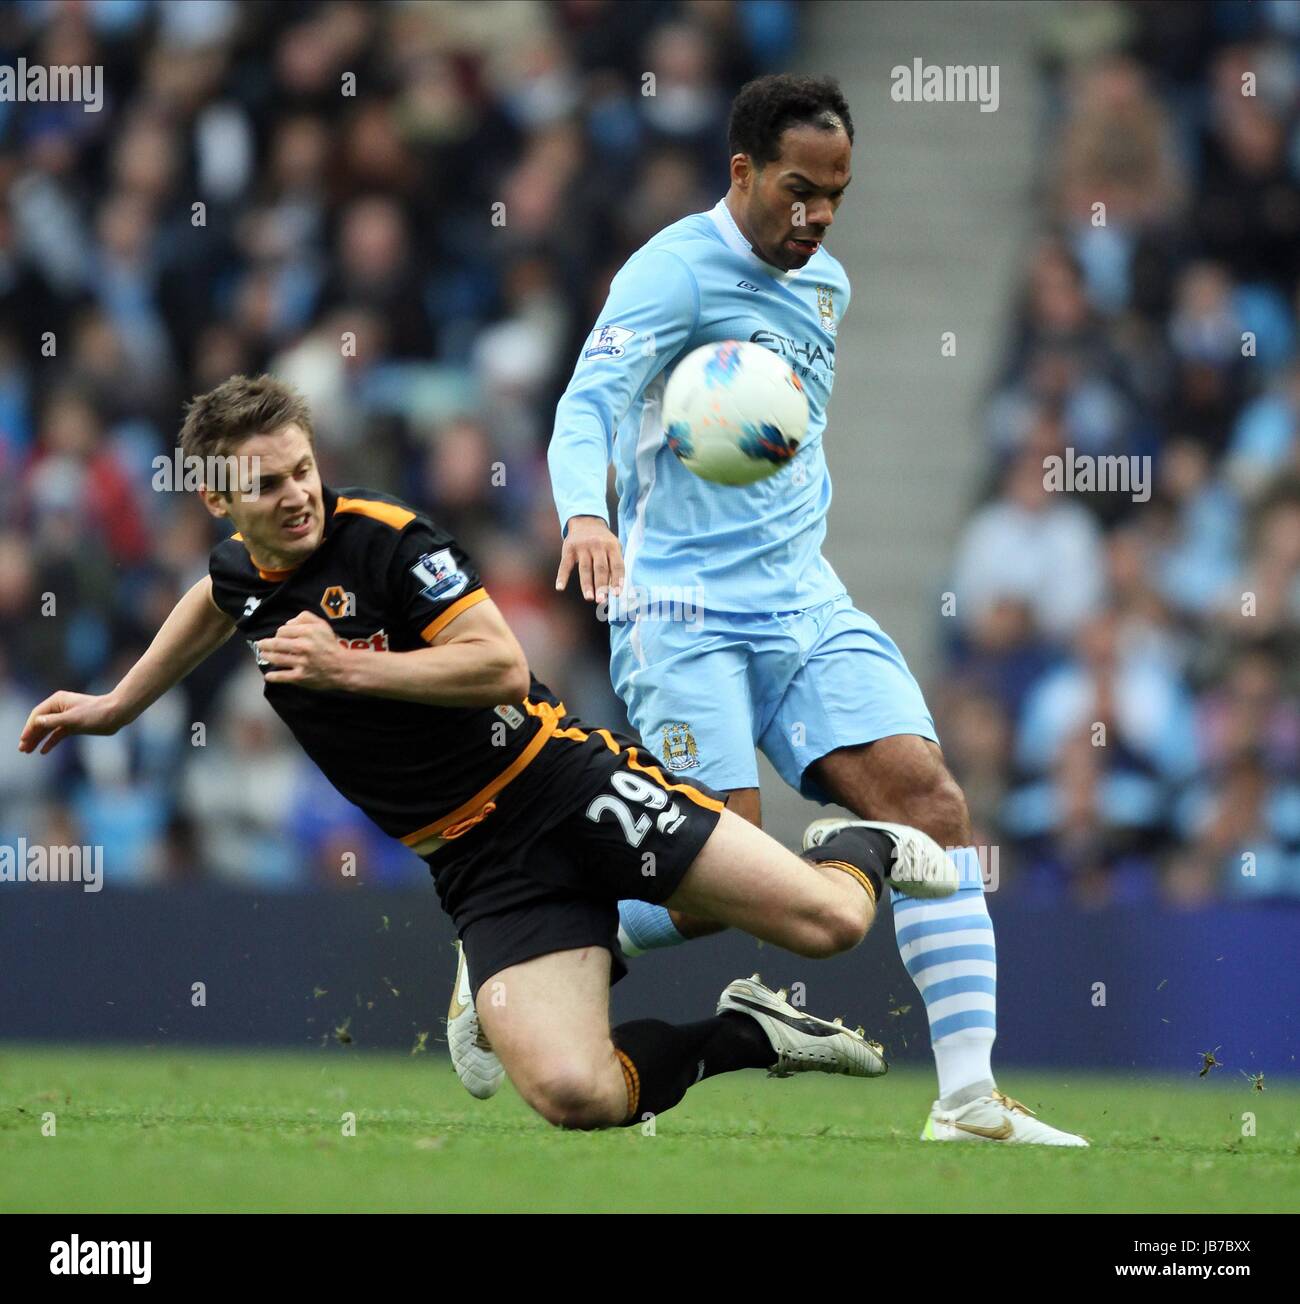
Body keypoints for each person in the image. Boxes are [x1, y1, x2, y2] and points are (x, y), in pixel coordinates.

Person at [20, 373, 960, 1131]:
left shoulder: (384, 541)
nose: (299, 493)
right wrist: (118, 703)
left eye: (303, 468)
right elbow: (215, 601)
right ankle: (751, 1033)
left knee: (833, 925)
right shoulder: (244, 570)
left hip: (562, 785)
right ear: (224, 504)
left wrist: (351, 668)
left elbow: (501, 666)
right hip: (476, 865)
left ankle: (867, 842)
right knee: (572, 1095)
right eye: (269, 486)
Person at [461, 72, 1086, 1145]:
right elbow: (586, 405)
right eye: (799, 190)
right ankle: (513, 956)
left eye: (836, 194)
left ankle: (969, 1099)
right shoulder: (668, 273)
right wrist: (583, 515)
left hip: (804, 599)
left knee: (931, 806)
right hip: (682, 609)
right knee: (719, 872)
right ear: (742, 171)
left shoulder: (825, 285)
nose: (818, 216)